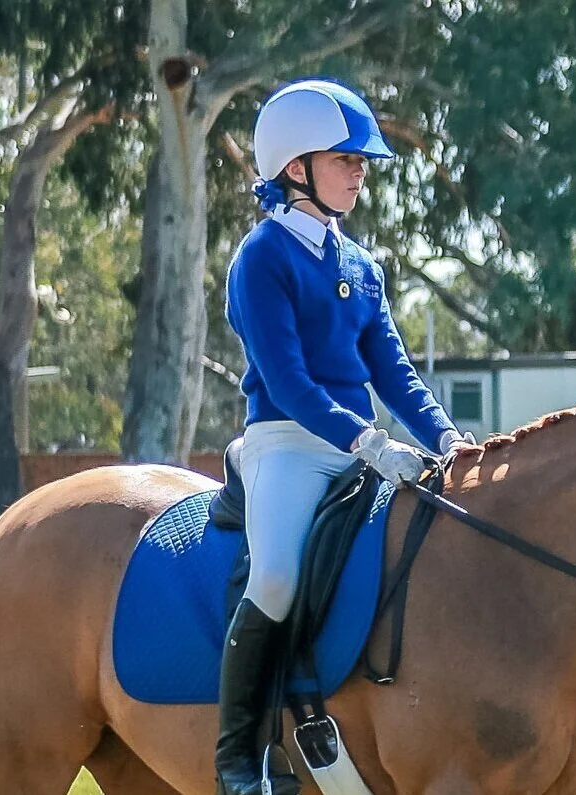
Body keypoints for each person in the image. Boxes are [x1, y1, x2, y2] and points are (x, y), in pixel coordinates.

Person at [219, 79, 468, 795]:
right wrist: (371, 442)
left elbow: (396, 374)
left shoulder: (362, 266)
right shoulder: (261, 258)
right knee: (275, 575)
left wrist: (449, 438)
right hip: (287, 444)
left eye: (362, 162)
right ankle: (240, 756)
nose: (360, 172)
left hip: (362, 448)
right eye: (346, 159)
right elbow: (290, 383)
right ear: (295, 167)